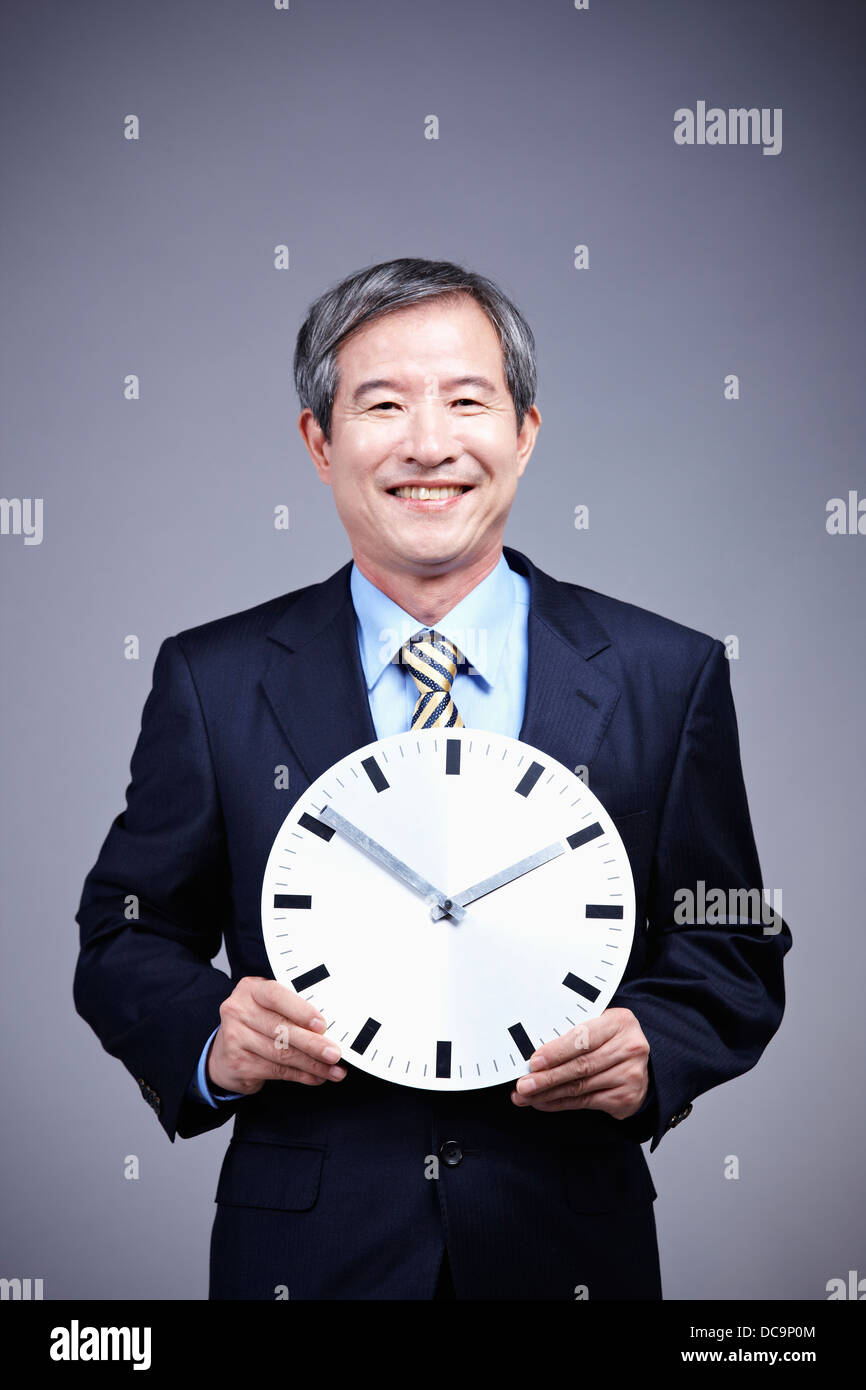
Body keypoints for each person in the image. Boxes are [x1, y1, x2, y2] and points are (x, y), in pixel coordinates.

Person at [74, 257, 791, 1301]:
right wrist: (212, 1037)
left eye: (466, 400)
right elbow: (126, 931)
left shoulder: (662, 671)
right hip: (308, 1254)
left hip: (567, 1245)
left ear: (524, 433)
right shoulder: (214, 677)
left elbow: (727, 935)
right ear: (319, 442)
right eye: (381, 404)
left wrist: (654, 1049)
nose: (428, 444)